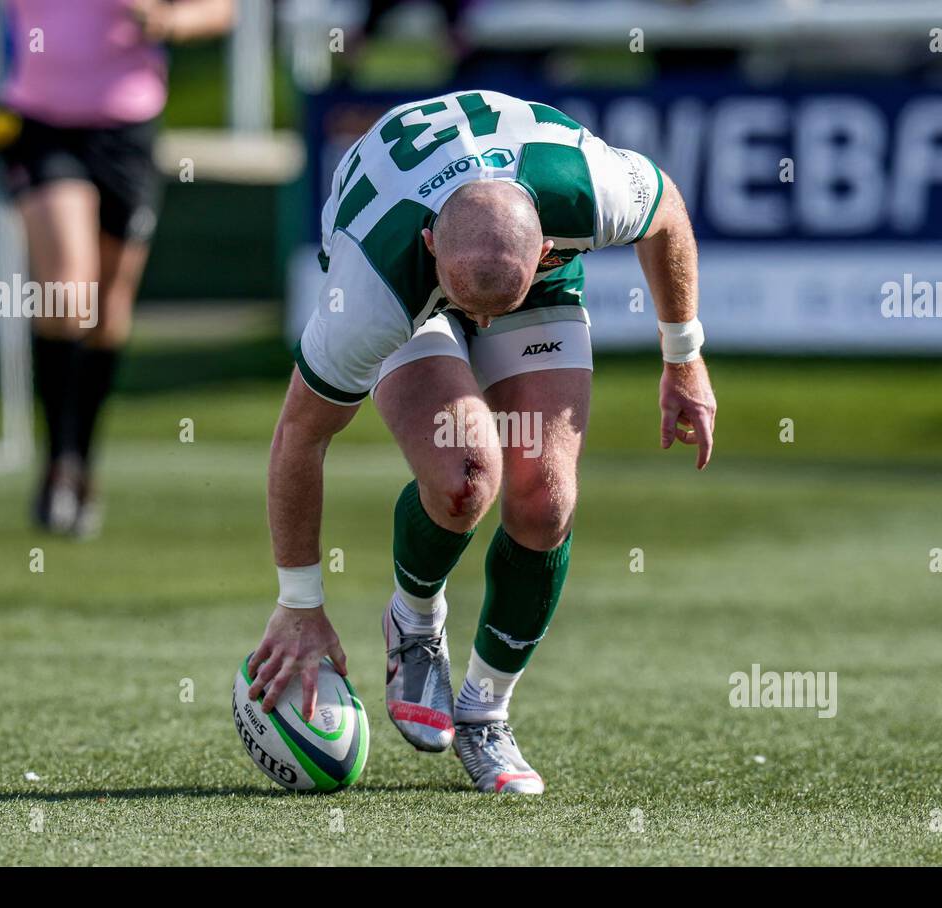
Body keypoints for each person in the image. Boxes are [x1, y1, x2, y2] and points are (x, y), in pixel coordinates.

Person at [247, 90, 718, 794]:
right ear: (436, 246)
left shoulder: (590, 188)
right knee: (465, 476)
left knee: (546, 498)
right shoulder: (371, 288)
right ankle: (414, 618)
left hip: (511, 266)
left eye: (489, 311)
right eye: (468, 308)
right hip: (404, 262)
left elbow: (669, 212)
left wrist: (684, 355)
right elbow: (299, 436)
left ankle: (487, 712)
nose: (478, 324)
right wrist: (299, 605)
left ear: (553, 246)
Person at [0, 0, 234, 536]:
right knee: (66, 292)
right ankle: (57, 464)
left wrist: (167, 21)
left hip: (128, 129)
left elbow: (220, 11)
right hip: (41, 125)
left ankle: (82, 460)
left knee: (108, 309)